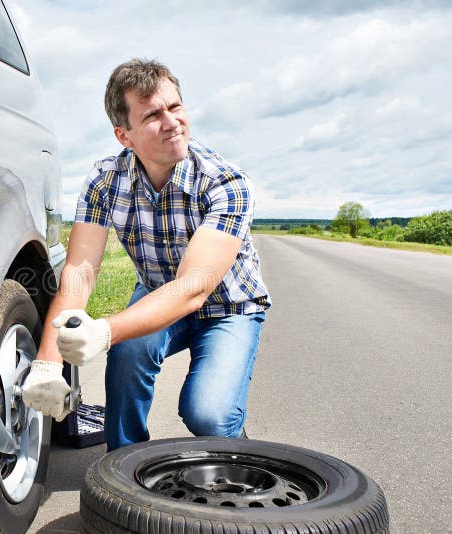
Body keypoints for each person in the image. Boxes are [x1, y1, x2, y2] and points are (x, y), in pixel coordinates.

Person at [22, 59, 271, 451]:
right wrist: (48, 363)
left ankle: (233, 443)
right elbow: (79, 271)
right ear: (125, 135)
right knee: (126, 353)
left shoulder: (226, 182)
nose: (171, 121)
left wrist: (104, 330)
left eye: (175, 107)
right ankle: (121, 466)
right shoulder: (105, 181)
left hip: (229, 306)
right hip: (156, 290)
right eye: (153, 114)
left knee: (206, 413)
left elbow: (193, 287)